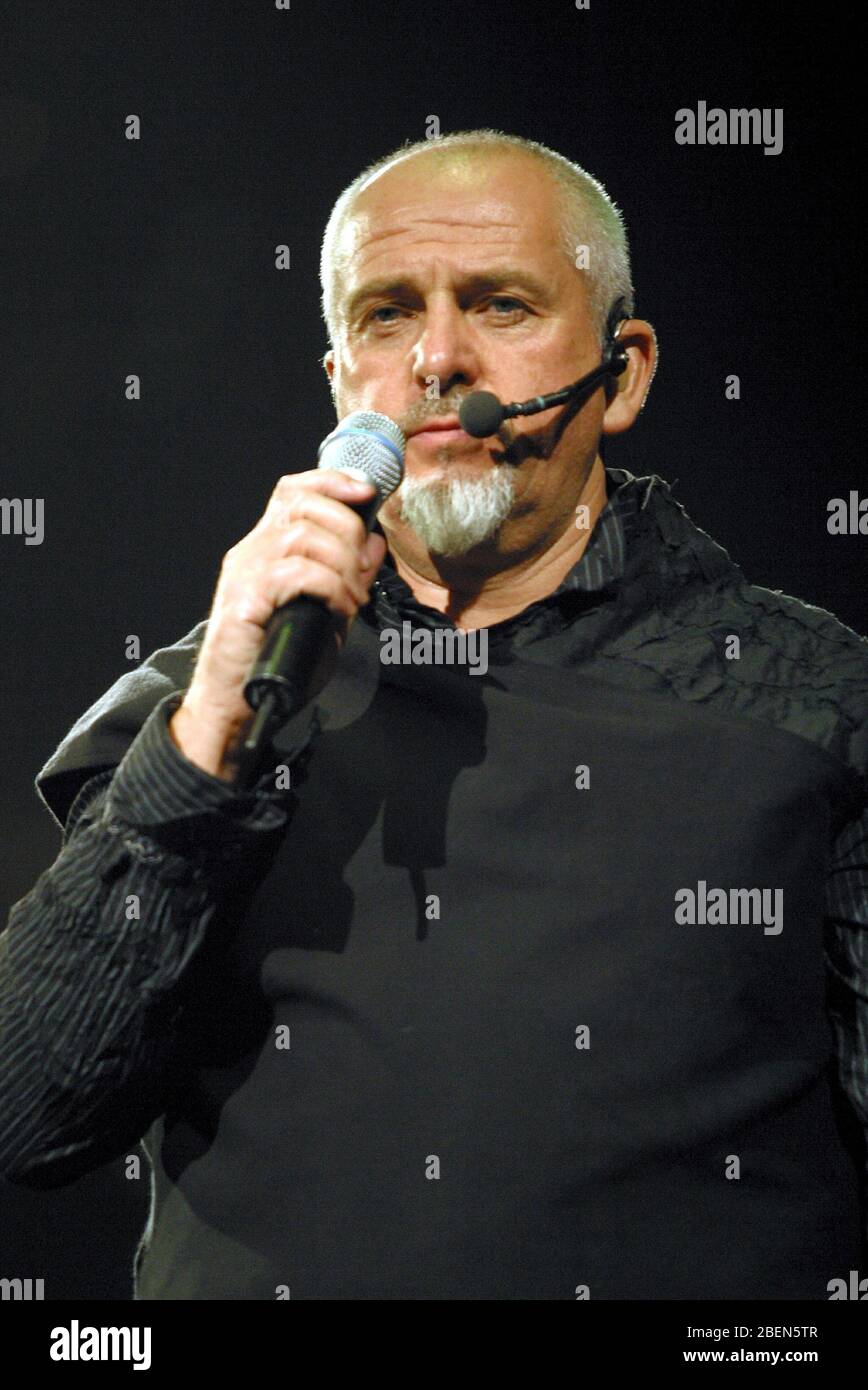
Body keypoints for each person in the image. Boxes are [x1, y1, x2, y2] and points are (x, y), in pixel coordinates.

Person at [1, 129, 866, 1301]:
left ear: (625, 372)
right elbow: (31, 1114)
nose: (438, 359)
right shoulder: (210, 696)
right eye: (386, 315)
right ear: (338, 380)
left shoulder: (813, 697)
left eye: (501, 306)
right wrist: (206, 740)